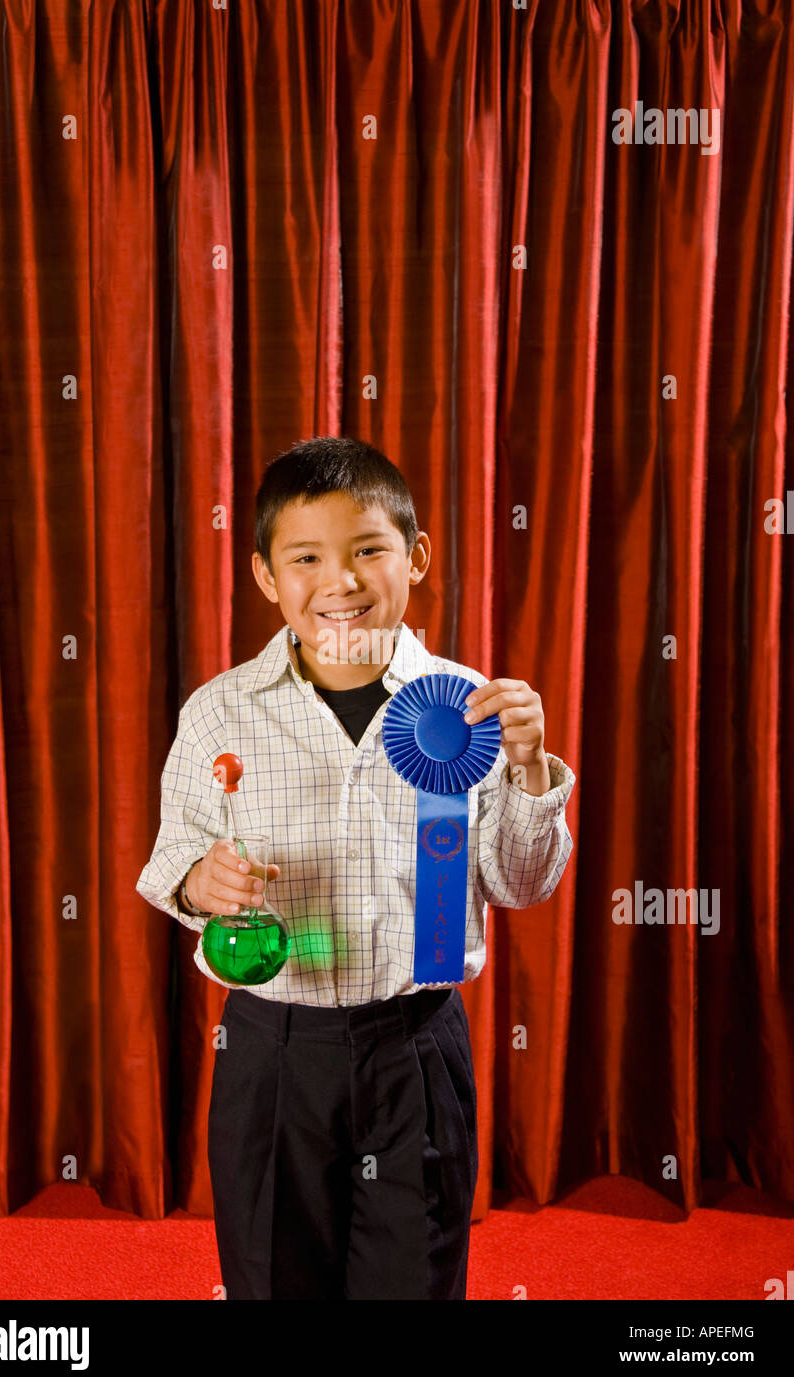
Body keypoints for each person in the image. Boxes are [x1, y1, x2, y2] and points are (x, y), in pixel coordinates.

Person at [136, 435, 576, 1299]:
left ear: (415, 558)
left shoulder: (468, 706)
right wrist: (199, 882)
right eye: (306, 558)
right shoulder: (220, 710)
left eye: (368, 550)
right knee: (272, 1276)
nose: (339, 580)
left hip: (415, 1046)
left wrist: (530, 770)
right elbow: (173, 857)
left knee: (415, 1280)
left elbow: (520, 884)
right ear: (266, 576)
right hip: (273, 1050)